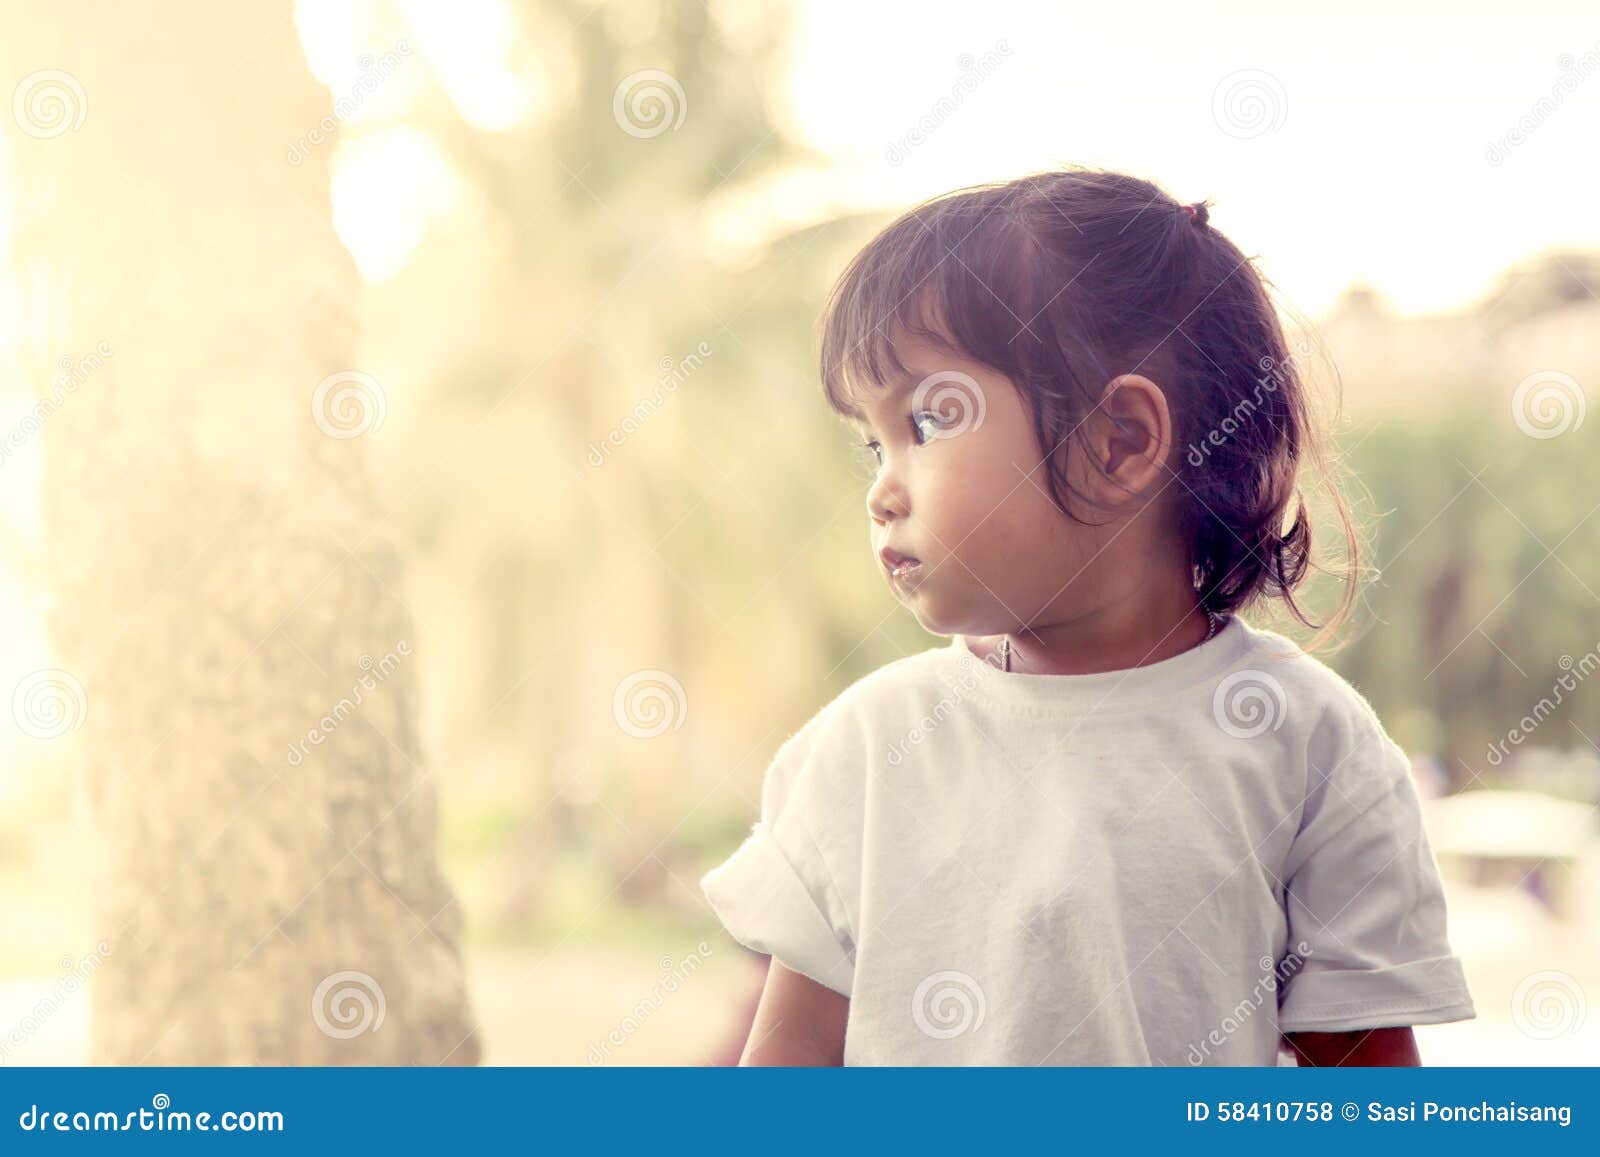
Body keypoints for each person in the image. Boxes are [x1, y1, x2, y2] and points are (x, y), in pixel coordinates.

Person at [700, 167, 1475, 1066]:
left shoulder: (1310, 749)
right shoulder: (866, 750)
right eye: (875, 443)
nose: (881, 490)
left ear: (1121, 442)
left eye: (928, 420)